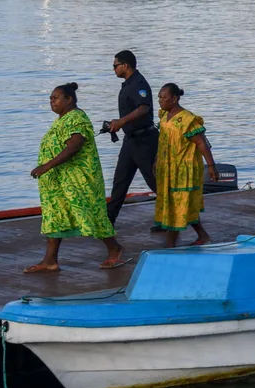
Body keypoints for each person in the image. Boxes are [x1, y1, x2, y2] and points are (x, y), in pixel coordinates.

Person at [26, 83, 124, 273]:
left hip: (78, 179)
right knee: (55, 216)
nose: (51, 102)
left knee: (90, 213)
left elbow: (74, 146)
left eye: (55, 98)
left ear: (69, 99)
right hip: (58, 180)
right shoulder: (62, 120)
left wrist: (46, 166)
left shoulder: (77, 118)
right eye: (50, 99)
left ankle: (115, 248)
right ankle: (50, 261)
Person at [154, 84, 217, 248]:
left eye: (164, 98)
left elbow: (201, 144)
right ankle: (202, 235)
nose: (160, 101)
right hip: (167, 168)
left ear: (174, 99)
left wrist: (211, 166)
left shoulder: (188, 120)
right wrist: (156, 160)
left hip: (183, 170)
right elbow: (162, 142)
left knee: (177, 205)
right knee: (178, 204)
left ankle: (170, 244)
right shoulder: (163, 116)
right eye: (159, 97)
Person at [106, 50, 161, 228]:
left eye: (115, 65)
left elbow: (143, 108)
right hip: (130, 140)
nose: (113, 69)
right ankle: (108, 220)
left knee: (155, 181)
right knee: (120, 180)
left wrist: (121, 121)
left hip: (145, 140)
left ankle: (172, 217)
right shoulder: (128, 84)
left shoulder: (139, 83)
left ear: (125, 66)